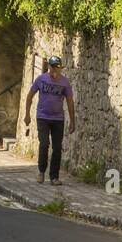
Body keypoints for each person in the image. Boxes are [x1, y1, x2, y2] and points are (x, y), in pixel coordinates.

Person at [24, 55, 75, 185]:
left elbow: (70, 101)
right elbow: (30, 96)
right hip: (43, 117)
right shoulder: (41, 79)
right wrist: (27, 115)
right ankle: (41, 171)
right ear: (49, 67)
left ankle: (54, 177)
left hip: (58, 118)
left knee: (57, 148)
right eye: (54, 68)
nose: (56, 71)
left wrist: (72, 120)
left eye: (58, 68)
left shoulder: (65, 82)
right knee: (44, 144)